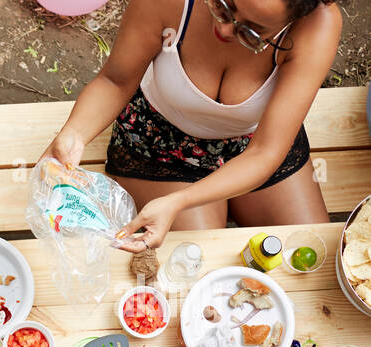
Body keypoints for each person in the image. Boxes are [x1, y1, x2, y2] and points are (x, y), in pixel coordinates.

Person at [43, 0, 342, 253]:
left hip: (254, 143)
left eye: (252, 32)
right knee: (196, 269)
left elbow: (266, 152)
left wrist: (179, 201)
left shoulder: (319, 24)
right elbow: (115, 80)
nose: (225, 29)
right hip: (159, 141)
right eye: (224, 5)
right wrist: (74, 133)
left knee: (309, 255)